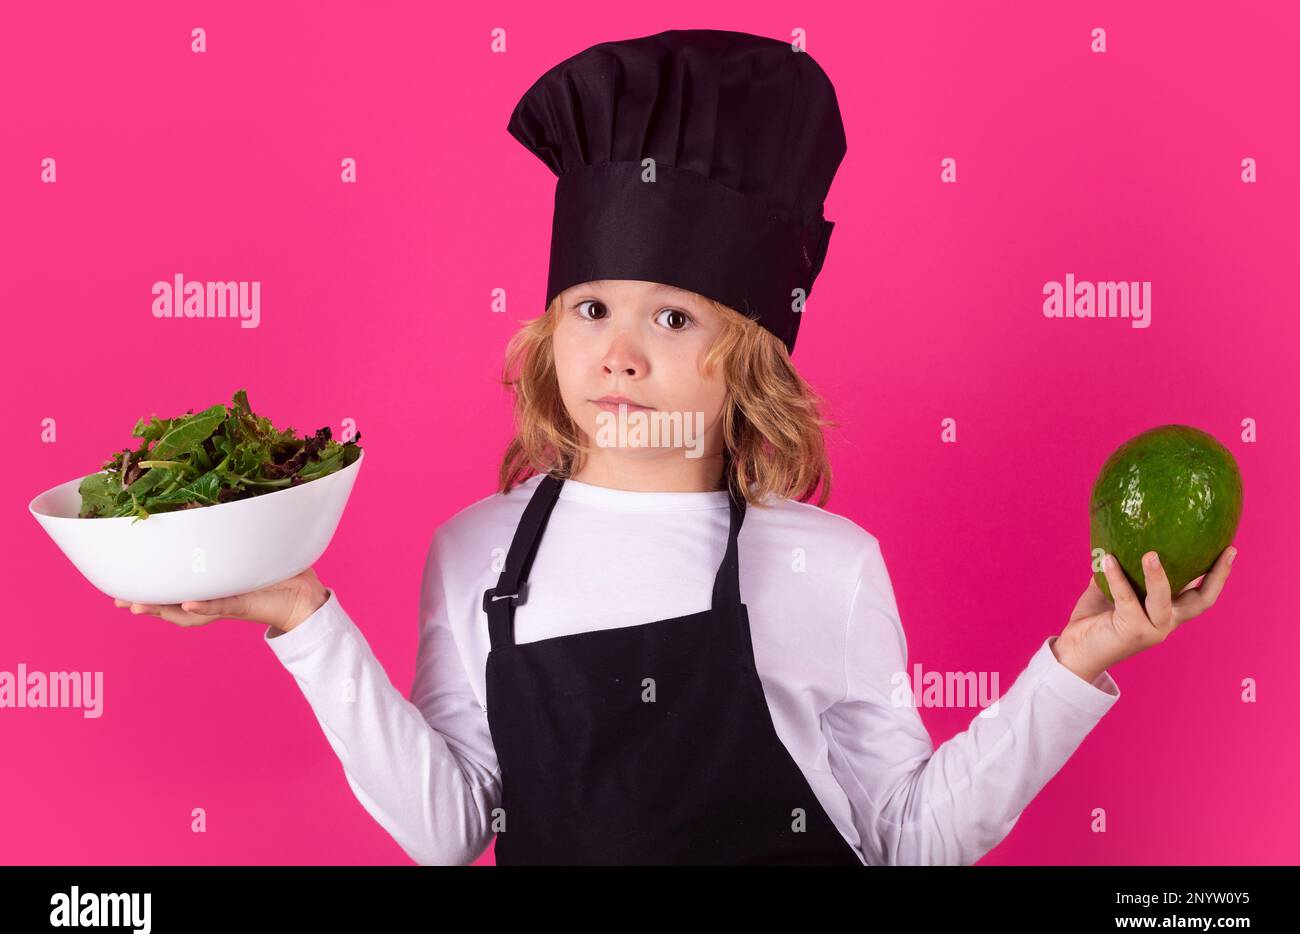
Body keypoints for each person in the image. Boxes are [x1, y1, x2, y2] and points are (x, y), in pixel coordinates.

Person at [112, 29, 1236, 865]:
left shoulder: (829, 563)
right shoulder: (478, 554)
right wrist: (305, 619)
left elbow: (907, 836)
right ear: (550, 334)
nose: (621, 354)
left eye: (674, 316)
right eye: (592, 310)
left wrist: (1072, 666)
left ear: (745, 357)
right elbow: (450, 827)